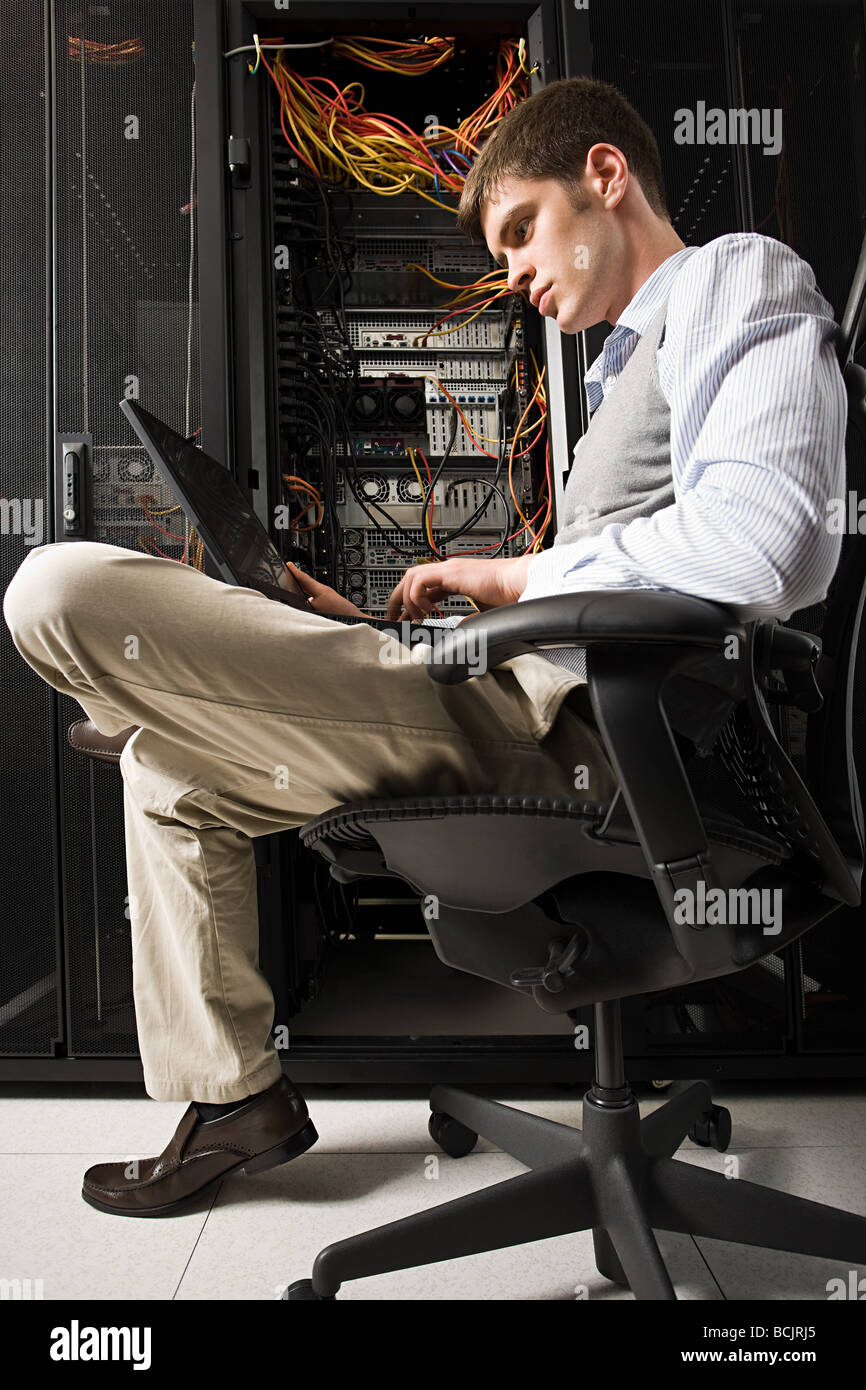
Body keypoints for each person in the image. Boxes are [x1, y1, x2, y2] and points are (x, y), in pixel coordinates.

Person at [1, 76, 845, 1217]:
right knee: (171, 773)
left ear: (604, 177)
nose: (510, 273)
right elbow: (627, 579)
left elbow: (762, 547)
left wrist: (508, 576)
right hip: (523, 703)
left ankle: (182, 701)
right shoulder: (625, 366)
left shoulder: (735, 275)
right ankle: (234, 1098)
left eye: (519, 229)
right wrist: (382, 629)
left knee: (57, 586)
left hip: (595, 747)